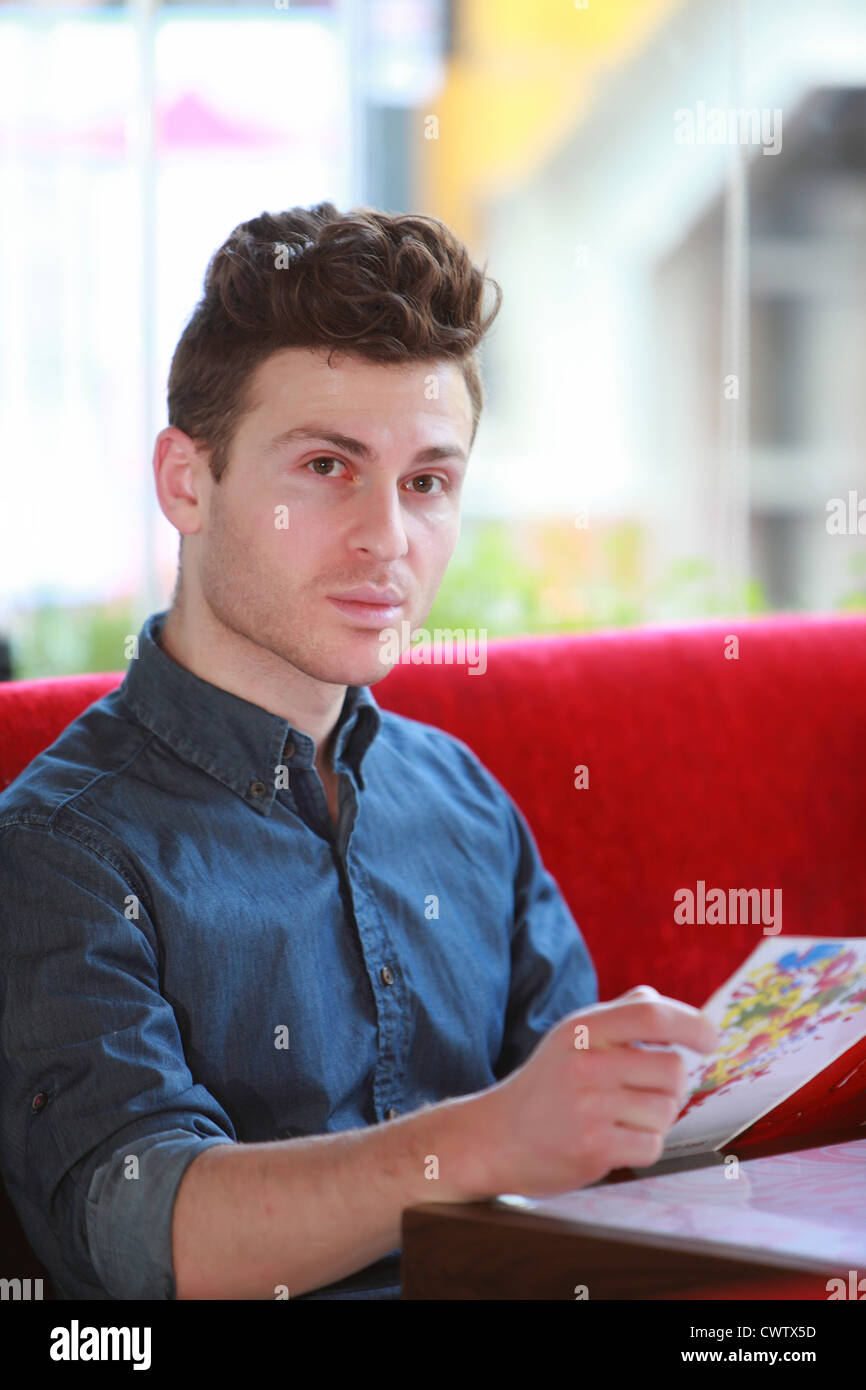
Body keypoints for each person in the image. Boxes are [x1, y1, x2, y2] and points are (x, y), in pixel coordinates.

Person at [0, 203, 717, 1301]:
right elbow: (144, 1233)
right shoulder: (60, 848)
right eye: (329, 465)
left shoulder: (460, 799)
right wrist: (487, 1140)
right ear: (187, 482)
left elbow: (581, 1145)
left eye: (426, 481)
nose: (387, 536)